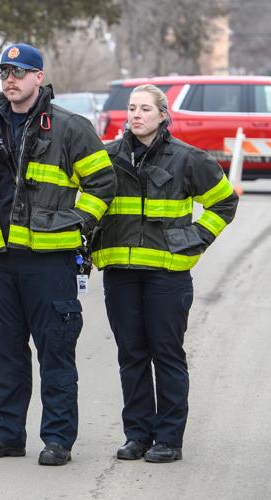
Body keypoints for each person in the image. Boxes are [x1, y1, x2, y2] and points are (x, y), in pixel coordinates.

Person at [0, 43, 116, 465]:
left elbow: (103, 184)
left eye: (18, 72)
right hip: (0, 259)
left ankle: (58, 439)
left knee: (55, 352)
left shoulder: (69, 126)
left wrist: (74, 224)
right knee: (5, 351)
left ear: (37, 77)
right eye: (3, 73)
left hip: (50, 261)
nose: (10, 80)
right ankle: (8, 433)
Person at [92, 84, 238, 463]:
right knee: (131, 354)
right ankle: (137, 435)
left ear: (162, 115)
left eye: (145, 108)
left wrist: (194, 239)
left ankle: (169, 438)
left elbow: (225, 202)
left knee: (167, 354)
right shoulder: (106, 157)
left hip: (167, 275)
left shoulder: (188, 159)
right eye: (132, 108)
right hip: (120, 272)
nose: (136, 114)